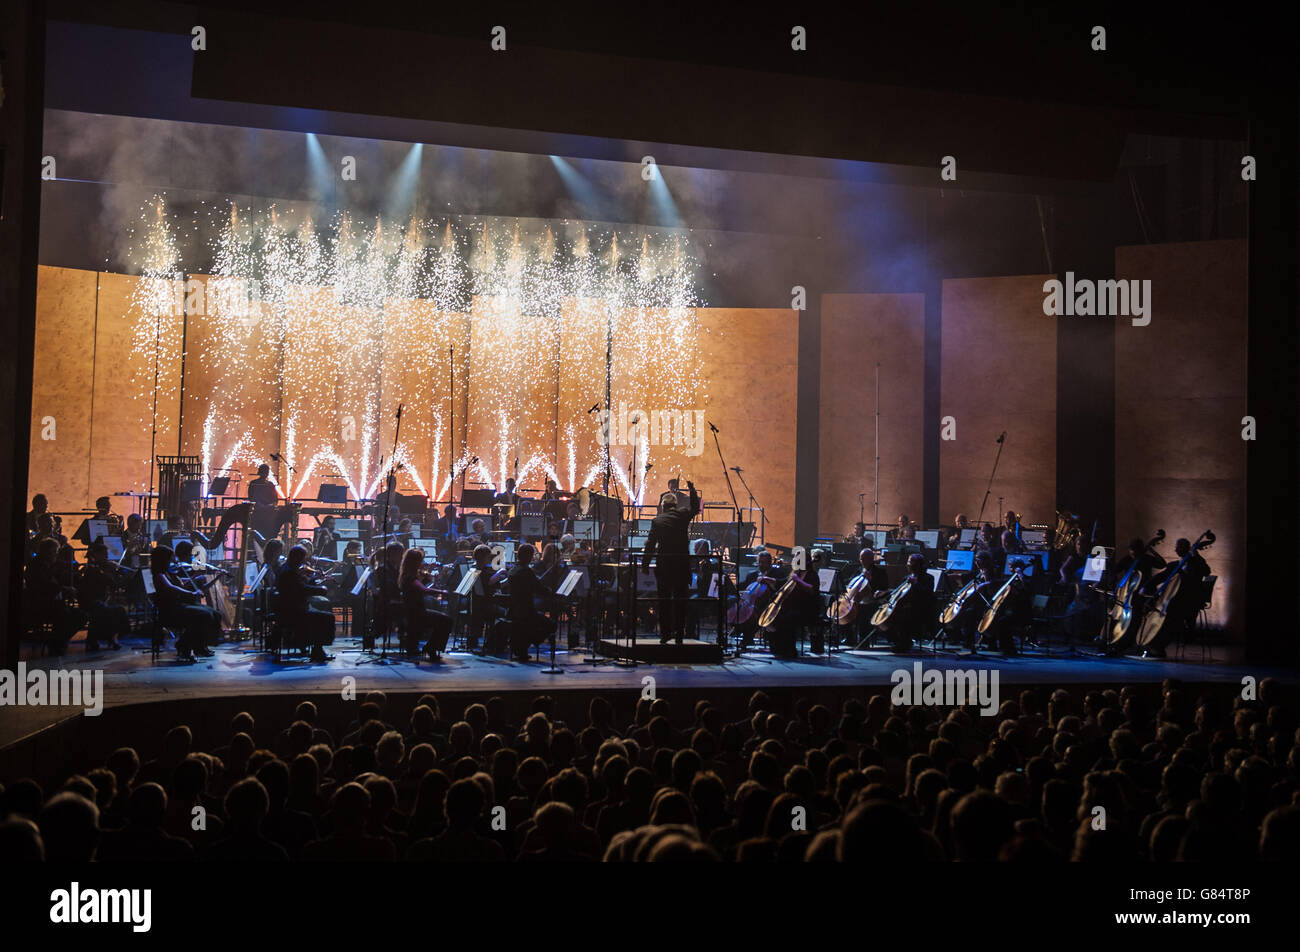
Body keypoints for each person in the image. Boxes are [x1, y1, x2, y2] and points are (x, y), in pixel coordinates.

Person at [640, 480, 701, 645]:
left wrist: (645, 565)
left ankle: (665, 634)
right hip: (681, 565)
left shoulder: (657, 521)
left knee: (664, 601)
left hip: (664, 566)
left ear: (663, 506)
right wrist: (692, 490)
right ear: (675, 504)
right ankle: (680, 635)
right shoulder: (682, 515)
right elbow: (695, 508)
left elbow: (651, 545)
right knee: (681, 601)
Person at [151, 545, 218, 659]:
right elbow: (171, 587)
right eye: (170, 559)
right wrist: (192, 593)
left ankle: (200, 645)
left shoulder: (168, 573)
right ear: (163, 559)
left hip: (178, 607)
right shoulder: (158, 575)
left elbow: (181, 584)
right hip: (170, 611)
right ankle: (183, 645)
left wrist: (195, 577)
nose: (173, 561)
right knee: (204, 615)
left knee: (214, 613)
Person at [493, 543, 555, 661]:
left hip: (513, 610)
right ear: (529, 556)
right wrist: (551, 592)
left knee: (540, 621)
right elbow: (539, 589)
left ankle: (520, 645)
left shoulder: (513, 569)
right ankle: (526, 643)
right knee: (551, 625)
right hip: (526, 612)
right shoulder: (526, 571)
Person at [275, 546, 335, 661]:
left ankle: (314, 648)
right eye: (303, 557)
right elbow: (301, 589)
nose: (304, 561)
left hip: (292, 608)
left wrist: (310, 579)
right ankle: (317, 651)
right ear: (297, 557)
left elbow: (300, 586)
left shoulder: (288, 569)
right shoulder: (289, 572)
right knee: (327, 618)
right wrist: (320, 589)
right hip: (292, 612)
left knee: (321, 614)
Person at [398, 548, 452, 660]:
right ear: (415, 562)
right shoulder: (409, 577)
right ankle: (431, 647)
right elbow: (424, 590)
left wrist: (432, 580)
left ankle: (431, 647)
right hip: (416, 613)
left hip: (416, 611)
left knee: (444, 620)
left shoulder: (407, 574)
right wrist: (442, 592)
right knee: (447, 621)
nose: (422, 563)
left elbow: (422, 588)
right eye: (421, 560)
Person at [76, 540, 129, 651]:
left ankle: (110, 637)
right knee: (107, 610)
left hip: (101, 600)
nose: (106, 557)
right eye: (103, 555)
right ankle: (107, 638)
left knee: (118, 610)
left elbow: (115, 584)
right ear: (95, 555)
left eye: (106, 555)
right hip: (89, 602)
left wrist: (115, 570)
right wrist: (108, 570)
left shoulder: (102, 568)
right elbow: (105, 581)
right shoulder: (90, 569)